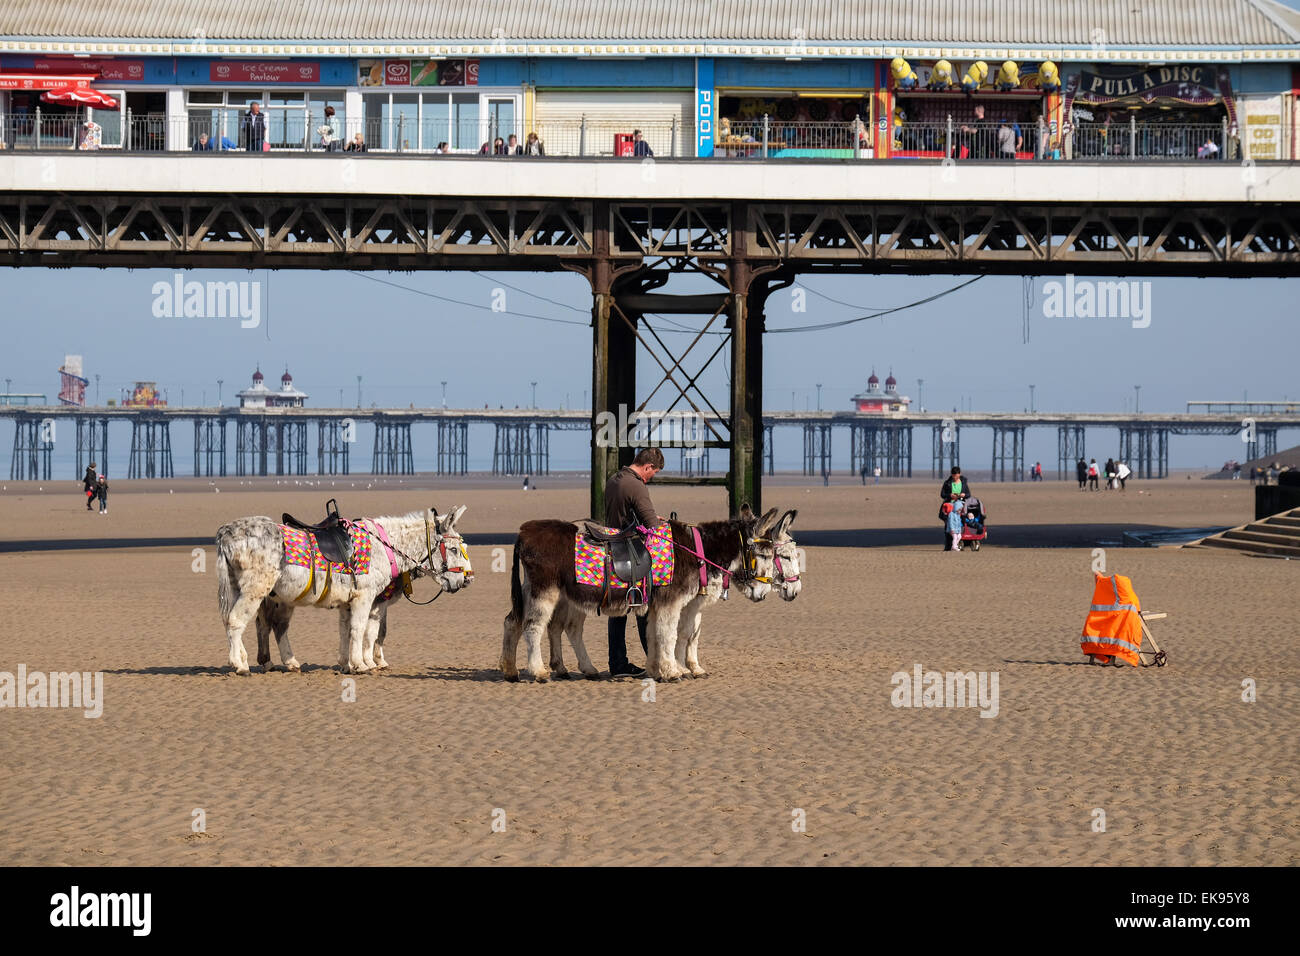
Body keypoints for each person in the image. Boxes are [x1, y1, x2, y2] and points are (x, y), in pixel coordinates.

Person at [604, 447, 665, 678]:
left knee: (617, 611)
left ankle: (617, 664)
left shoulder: (614, 479)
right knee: (642, 605)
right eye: (654, 473)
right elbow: (652, 526)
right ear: (647, 467)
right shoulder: (636, 485)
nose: (652, 478)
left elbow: (622, 512)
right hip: (631, 549)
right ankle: (653, 659)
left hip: (612, 547)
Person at [939, 465, 972, 550]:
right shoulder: (947, 483)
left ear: (959, 474)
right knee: (948, 526)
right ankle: (948, 545)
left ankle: (958, 543)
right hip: (949, 505)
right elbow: (942, 494)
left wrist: (964, 495)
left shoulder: (963, 483)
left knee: (960, 524)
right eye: (954, 476)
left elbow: (968, 495)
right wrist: (950, 495)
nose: (955, 478)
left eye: (957, 476)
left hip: (960, 505)